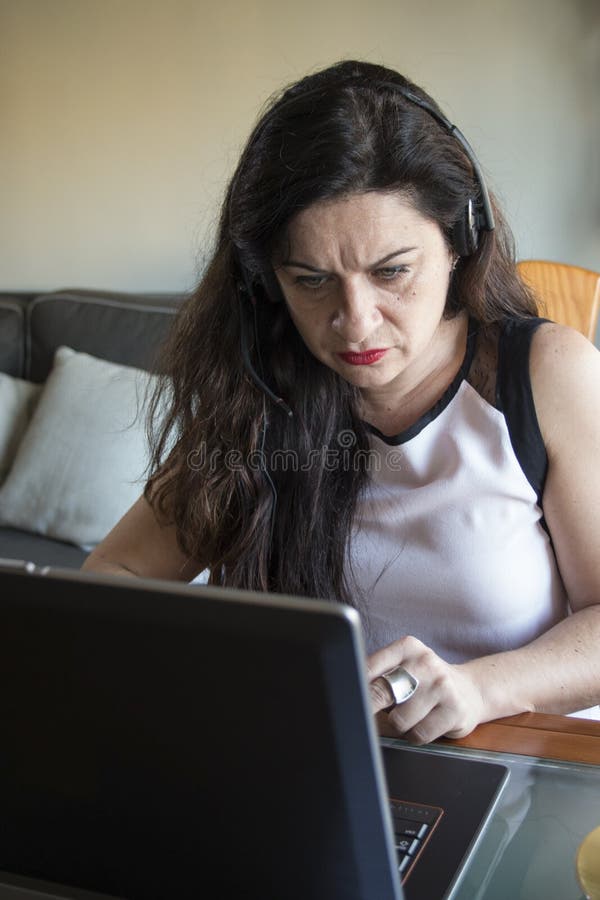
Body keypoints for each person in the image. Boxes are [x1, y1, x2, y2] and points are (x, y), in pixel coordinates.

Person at [83, 59, 600, 743]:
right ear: (267, 281)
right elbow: (111, 576)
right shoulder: (258, 394)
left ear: (459, 242)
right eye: (311, 280)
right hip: (312, 771)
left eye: (391, 272)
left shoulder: (544, 374)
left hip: (524, 778)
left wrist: (480, 687)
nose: (355, 323)